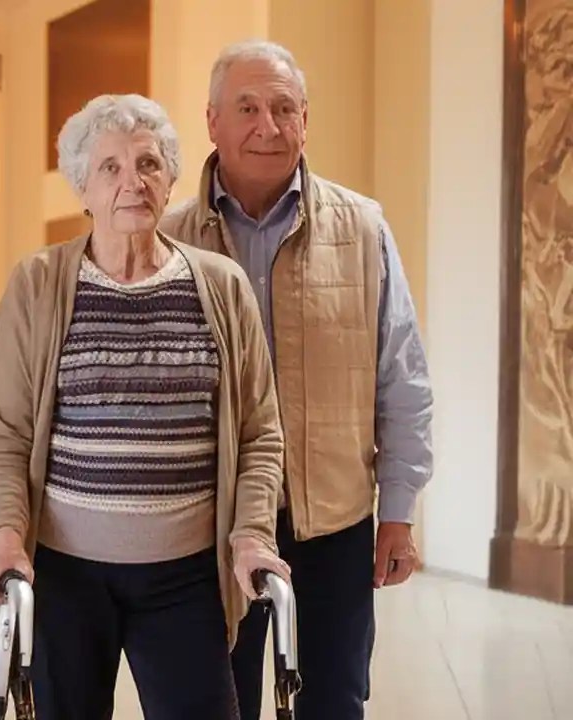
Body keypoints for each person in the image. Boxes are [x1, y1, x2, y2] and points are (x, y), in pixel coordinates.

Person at [0, 93, 290, 720]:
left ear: (171, 179)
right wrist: (6, 537)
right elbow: (3, 434)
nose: (131, 182)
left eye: (148, 164)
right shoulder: (38, 283)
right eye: (109, 168)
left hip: (186, 577)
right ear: (82, 188)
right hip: (63, 575)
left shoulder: (220, 286)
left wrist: (252, 533)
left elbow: (259, 435)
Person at [159, 40, 435, 720]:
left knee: (334, 702)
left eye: (285, 109)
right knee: (210, 702)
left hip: (332, 522)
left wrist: (397, 510)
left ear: (306, 121)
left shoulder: (363, 228)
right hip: (208, 523)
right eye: (247, 108)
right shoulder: (167, 241)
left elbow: (402, 375)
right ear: (213, 122)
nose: (268, 126)